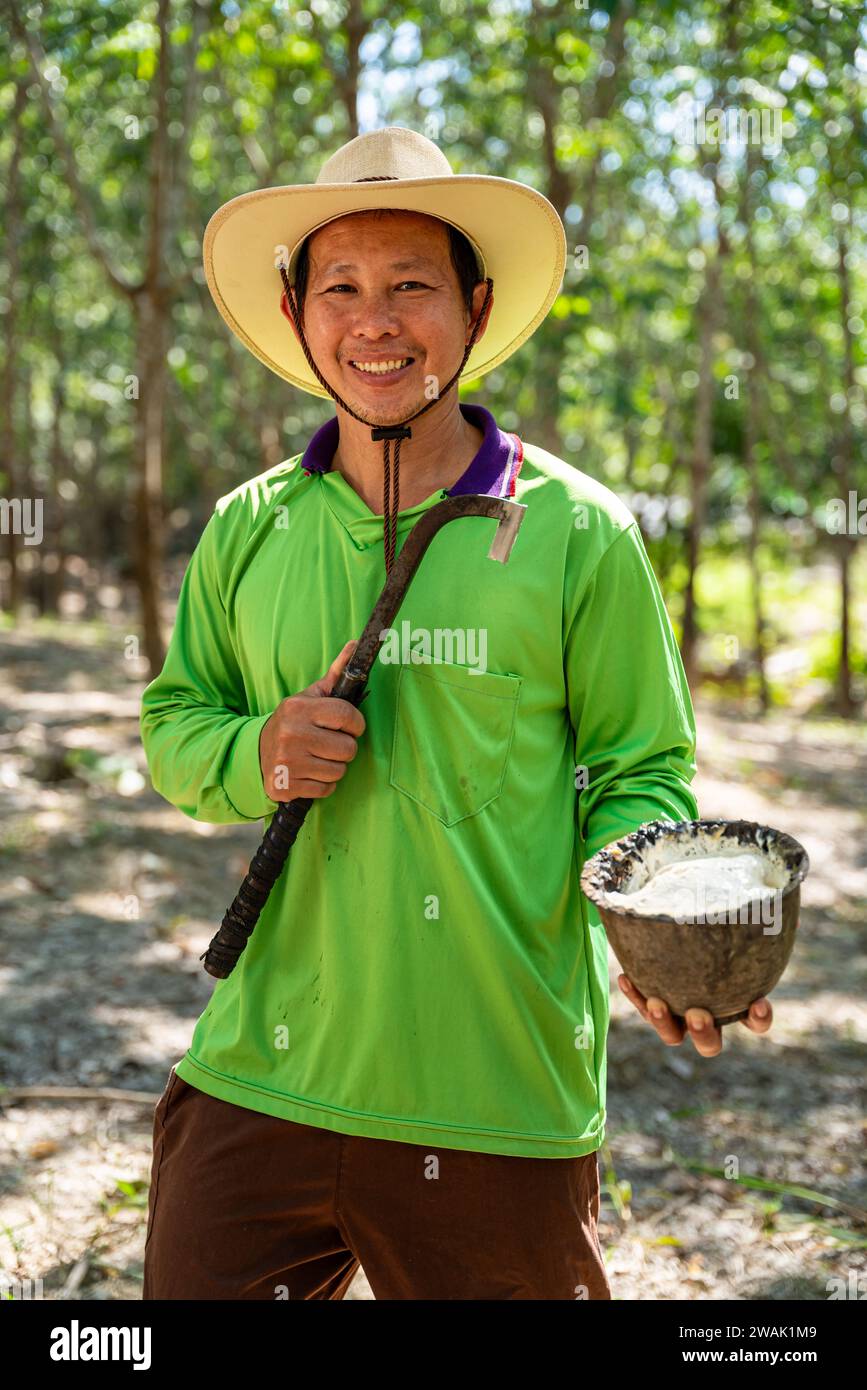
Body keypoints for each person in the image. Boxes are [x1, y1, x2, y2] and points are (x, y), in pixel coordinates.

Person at [139, 125, 772, 1301]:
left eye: (412, 285)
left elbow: (640, 768)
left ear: (475, 308)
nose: (376, 320)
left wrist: (653, 909)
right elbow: (176, 724)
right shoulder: (246, 529)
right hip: (262, 1076)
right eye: (342, 286)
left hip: (498, 1096)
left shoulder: (579, 532)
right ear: (296, 311)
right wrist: (254, 751)